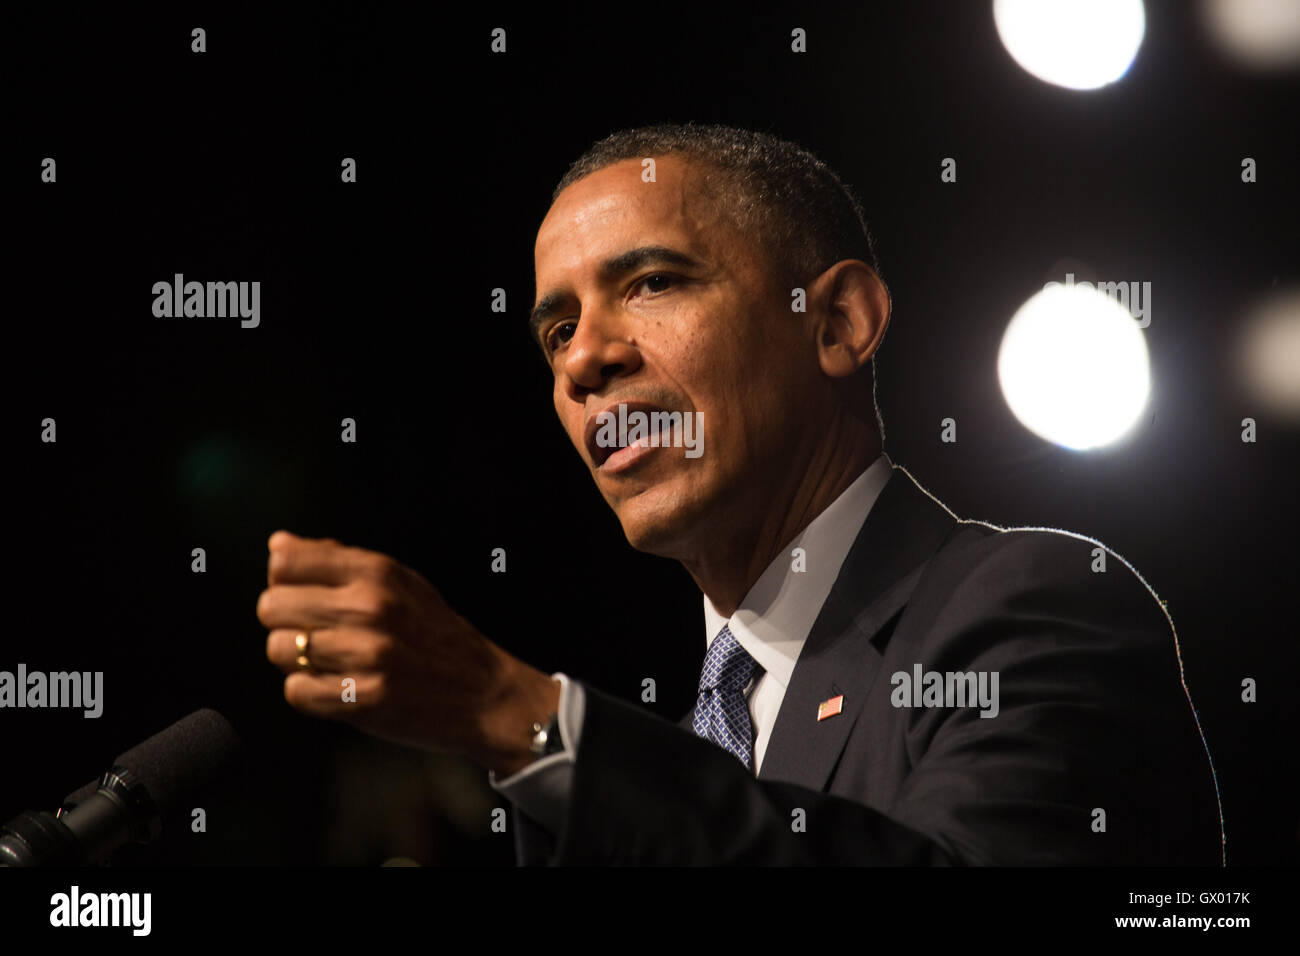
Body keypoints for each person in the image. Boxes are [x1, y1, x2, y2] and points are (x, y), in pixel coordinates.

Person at [258, 123, 1224, 865]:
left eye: (651, 282)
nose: (586, 358)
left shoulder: (1034, 604)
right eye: (556, 331)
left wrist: (515, 715)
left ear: (838, 322)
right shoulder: (673, 766)